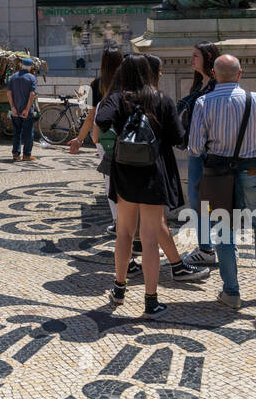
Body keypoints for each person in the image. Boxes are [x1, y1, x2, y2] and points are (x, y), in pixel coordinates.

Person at [95, 55, 201, 317]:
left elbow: (102, 122)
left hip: (124, 172)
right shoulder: (161, 99)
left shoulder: (117, 97)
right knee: (151, 239)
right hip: (154, 172)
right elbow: (179, 138)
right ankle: (151, 301)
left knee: (124, 233)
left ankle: (119, 288)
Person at [188, 54, 256, 309]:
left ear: (215, 75)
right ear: (239, 74)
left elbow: (195, 148)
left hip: (218, 176)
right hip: (252, 172)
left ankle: (231, 292)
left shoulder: (203, 102)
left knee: (223, 232)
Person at [68, 46, 124, 232]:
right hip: (127, 136)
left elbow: (91, 116)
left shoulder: (97, 84)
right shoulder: (128, 81)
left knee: (109, 180)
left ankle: (117, 221)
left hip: (105, 139)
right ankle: (132, 221)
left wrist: (79, 139)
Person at [177, 42, 221, 268]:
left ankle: (207, 248)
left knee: (205, 200)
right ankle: (207, 245)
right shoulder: (200, 84)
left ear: (208, 58)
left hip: (209, 151)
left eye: (195, 56)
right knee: (197, 200)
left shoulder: (215, 86)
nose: (191, 60)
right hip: (196, 151)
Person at [6, 58, 38, 163]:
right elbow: (32, 94)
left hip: (15, 111)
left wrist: (13, 108)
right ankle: (27, 155)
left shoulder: (13, 77)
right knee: (28, 133)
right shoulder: (31, 78)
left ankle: (15, 154)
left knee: (16, 132)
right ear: (30, 67)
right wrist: (27, 109)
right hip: (26, 111)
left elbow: (9, 93)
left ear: (21, 65)